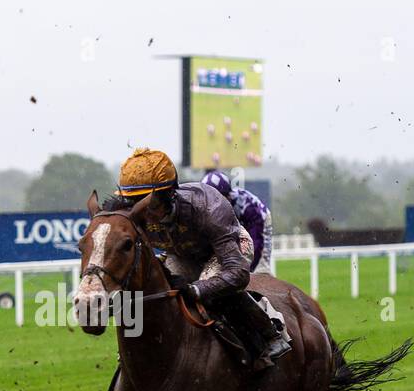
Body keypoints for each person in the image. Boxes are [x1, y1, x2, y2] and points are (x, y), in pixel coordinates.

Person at [104, 147, 290, 370]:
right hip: (181, 251)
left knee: (211, 293)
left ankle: (268, 331)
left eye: (146, 202)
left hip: (227, 246)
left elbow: (238, 274)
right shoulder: (137, 217)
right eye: (133, 202)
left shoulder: (208, 206)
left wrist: (195, 289)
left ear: (169, 196)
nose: (139, 210)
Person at [202, 169, 273, 274]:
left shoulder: (249, 208)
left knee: (259, 270)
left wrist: (249, 269)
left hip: (258, 222)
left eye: (217, 199)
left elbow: (256, 245)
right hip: (236, 225)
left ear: (228, 196)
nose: (213, 205)